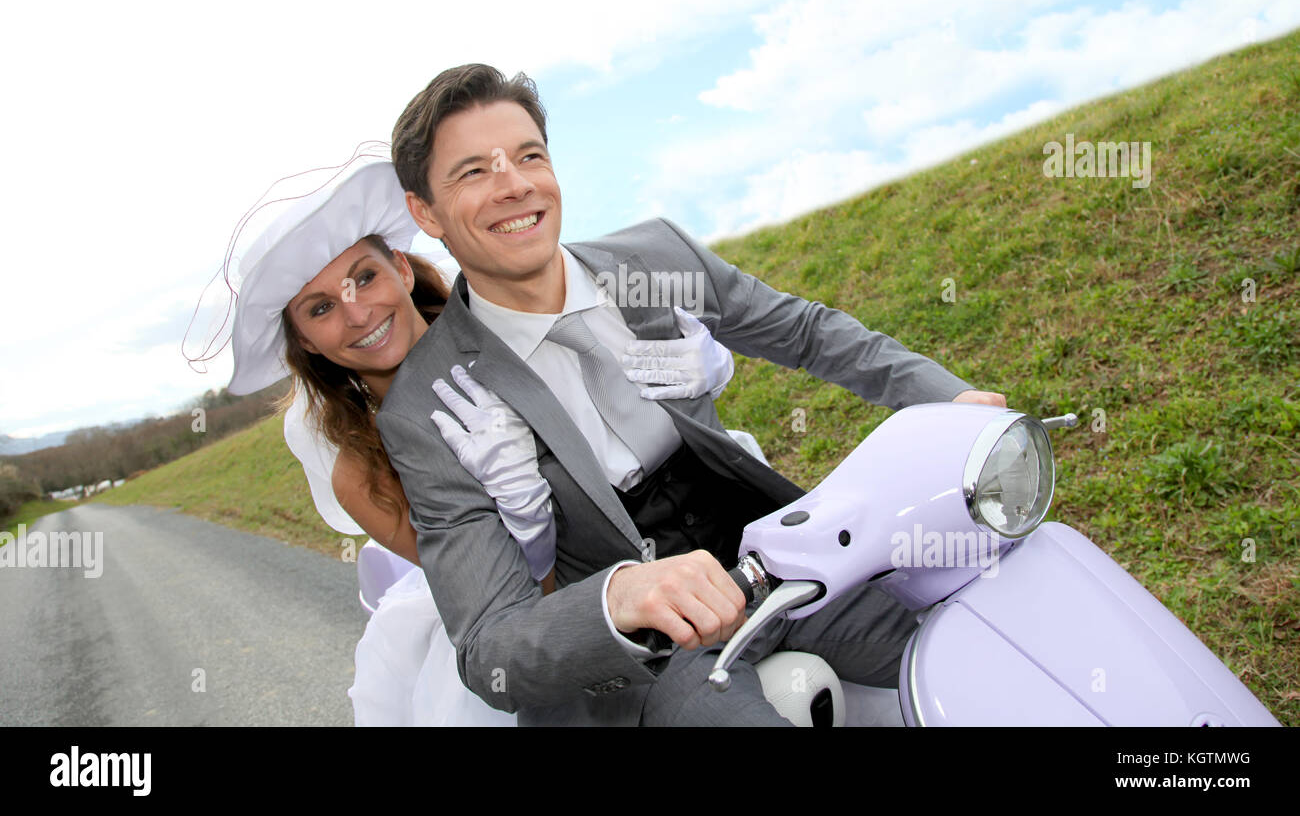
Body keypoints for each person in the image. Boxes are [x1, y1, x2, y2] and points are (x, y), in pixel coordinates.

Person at [377, 63, 1008, 726]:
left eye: (529, 155)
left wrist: (949, 404)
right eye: (473, 172)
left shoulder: (654, 257)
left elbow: (807, 333)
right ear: (426, 211)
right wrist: (617, 598)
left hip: (786, 563)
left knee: (985, 671)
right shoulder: (428, 405)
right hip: (656, 659)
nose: (514, 185)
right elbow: (489, 647)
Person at [199, 153, 737, 725]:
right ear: (304, 340)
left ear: (402, 271)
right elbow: (519, 609)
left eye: (365, 276)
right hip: (546, 613)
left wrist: (691, 388)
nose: (357, 314)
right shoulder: (360, 472)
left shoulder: (504, 322)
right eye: (322, 307)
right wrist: (527, 522)